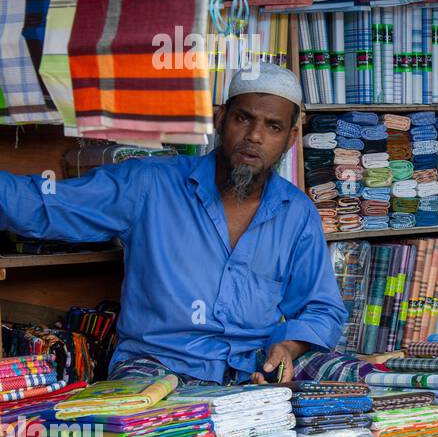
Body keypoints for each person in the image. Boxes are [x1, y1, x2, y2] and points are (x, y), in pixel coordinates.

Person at [0, 63, 346, 384]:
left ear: (290, 139)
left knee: (354, 386)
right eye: (243, 118)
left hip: (252, 370)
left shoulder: (297, 212)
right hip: (158, 365)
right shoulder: (150, 184)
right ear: (221, 119)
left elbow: (322, 307)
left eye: (273, 127)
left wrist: (288, 347)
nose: (255, 136)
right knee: (154, 435)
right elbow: (43, 204)